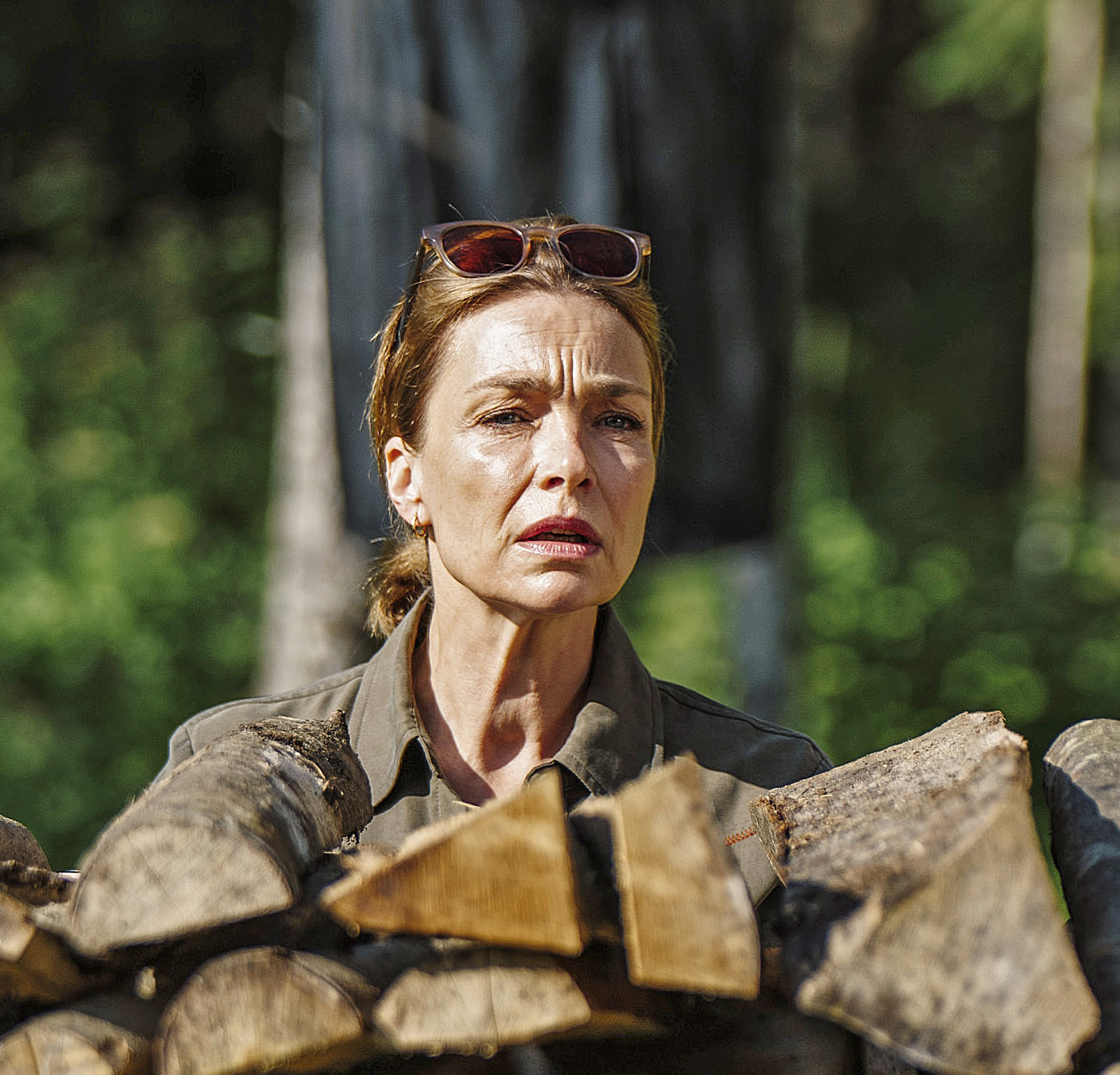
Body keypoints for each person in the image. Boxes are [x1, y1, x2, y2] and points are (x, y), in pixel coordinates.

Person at [166, 216, 824, 896]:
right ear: (405, 477)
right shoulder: (234, 773)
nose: (569, 465)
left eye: (616, 420)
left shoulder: (767, 797)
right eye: (507, 415)